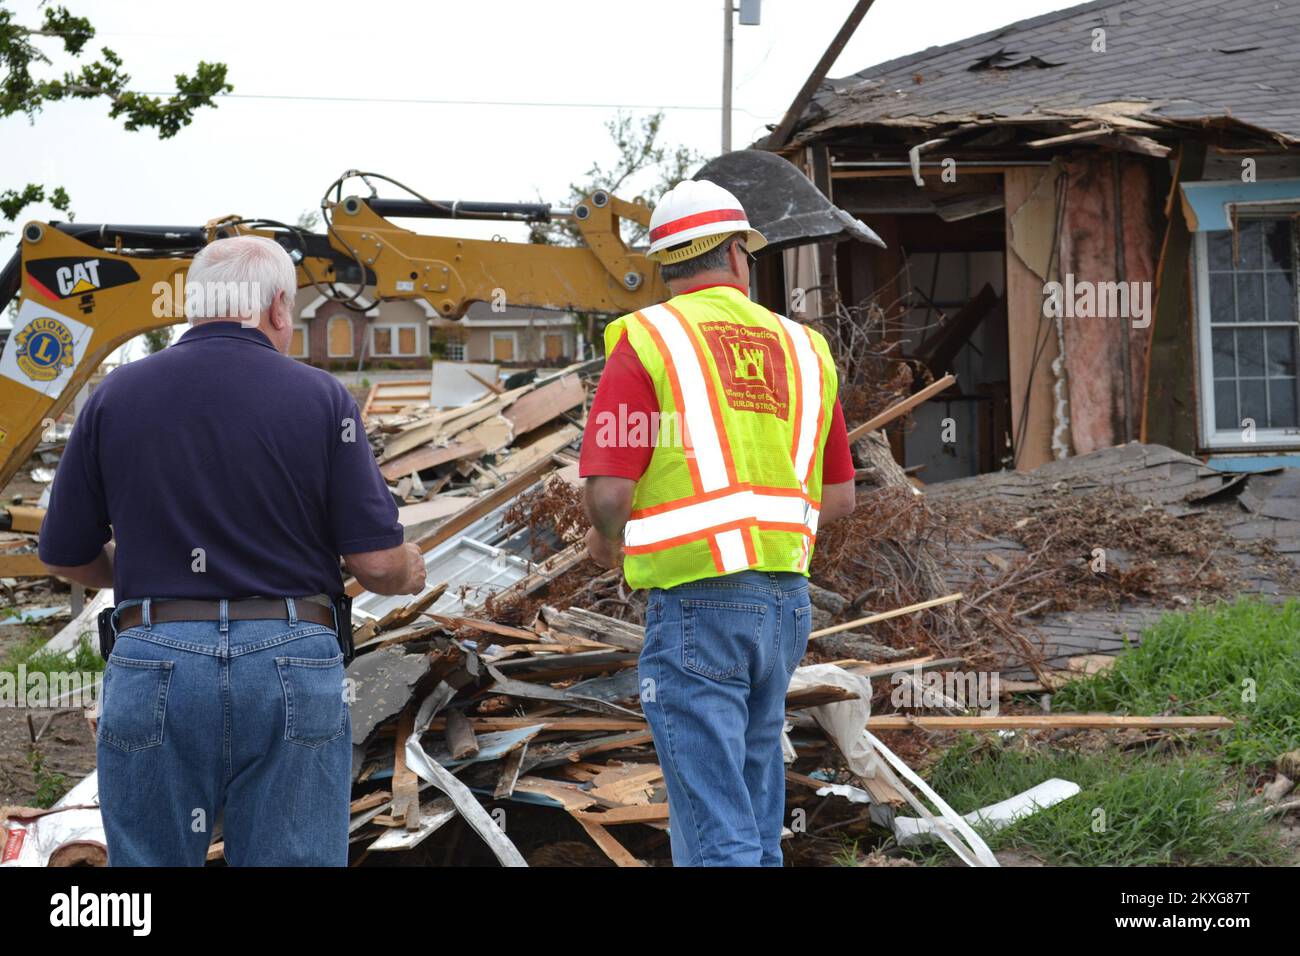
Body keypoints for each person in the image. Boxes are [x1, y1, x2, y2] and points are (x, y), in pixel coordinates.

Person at [39, 235, 426, 866]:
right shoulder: (322, 398)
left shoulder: (114, 396)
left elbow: (64, 554)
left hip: (153, 660)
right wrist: (410, 569)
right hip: (290, 664)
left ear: (194, 306)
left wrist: (142, 574)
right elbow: (378, 565)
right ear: (277, 307)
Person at [579, 180, 856, 866]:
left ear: (666, 262)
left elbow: (609, 488)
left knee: (713, 828)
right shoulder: (803, 348)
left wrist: (606, 542)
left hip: (698, 602)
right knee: (755, 816)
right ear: (738, 254)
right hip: (786, 605)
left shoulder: (648, 339)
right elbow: (842, 499)